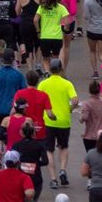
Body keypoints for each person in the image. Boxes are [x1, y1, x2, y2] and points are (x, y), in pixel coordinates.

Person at [37, 58, 78, 189]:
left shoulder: (44, 84)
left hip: (48, 120)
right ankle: (63, 170)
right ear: (61, 69)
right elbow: (75, 100)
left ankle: (53, 178)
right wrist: (70, 109)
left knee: (49, 149)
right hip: (64, 121)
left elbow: (38, 99)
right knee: (63, 147)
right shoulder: (67, 84)